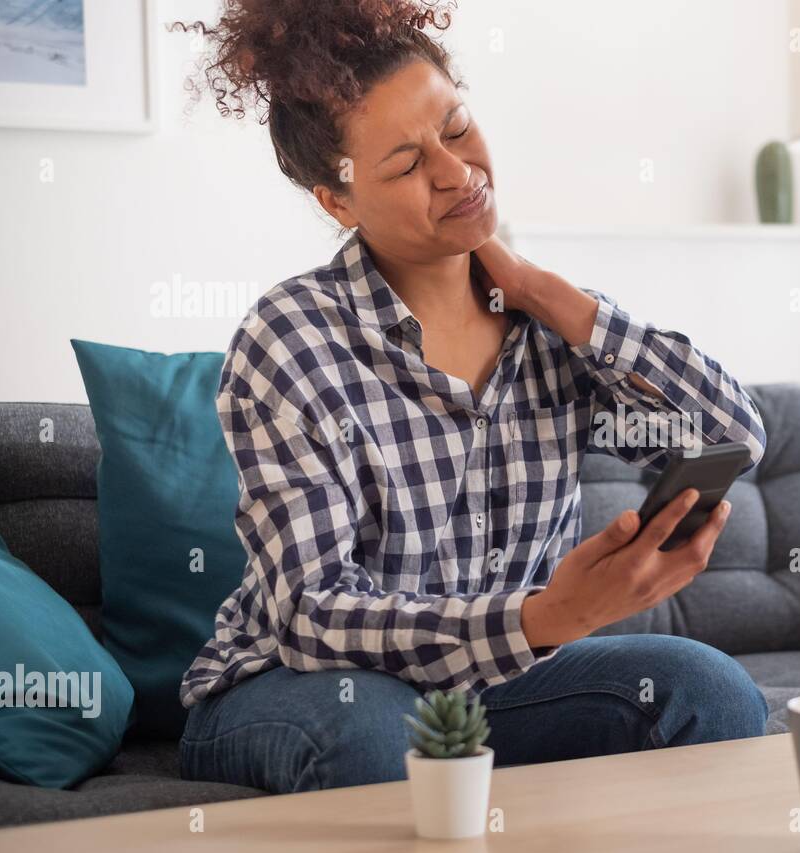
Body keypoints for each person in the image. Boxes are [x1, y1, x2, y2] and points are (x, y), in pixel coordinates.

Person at [175, 0, 769, 793]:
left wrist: (559, 301)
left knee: (709, 693)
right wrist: (543, 620)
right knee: (380, 737)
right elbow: (312, 615)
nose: (456, 173)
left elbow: (734, 436)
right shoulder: (291, 337)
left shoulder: (552, 326)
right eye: (405, 164)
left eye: (455, 129)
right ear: (340, 201)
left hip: (495, 687)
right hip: (295, 689)